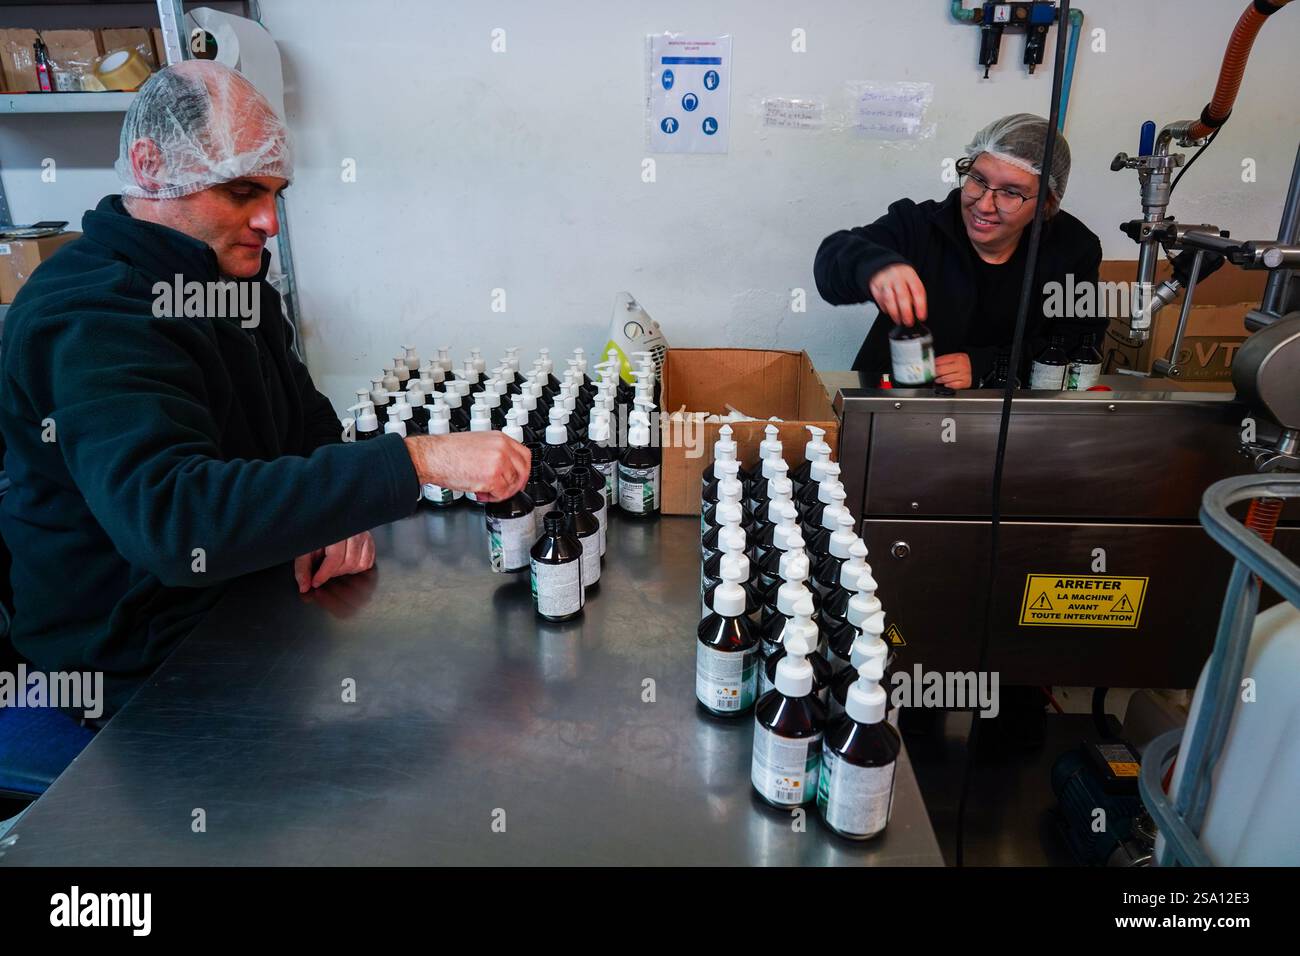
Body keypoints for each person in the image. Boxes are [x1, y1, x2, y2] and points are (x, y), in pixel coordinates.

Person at [0, 61, 529, 720]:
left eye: (275, 193)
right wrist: (419, 459)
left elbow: (303, 426)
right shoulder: (88, 316)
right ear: (151, 165)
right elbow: (174, 520)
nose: (270, 222)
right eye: (243, 192)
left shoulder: (226, 286)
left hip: (245, 600)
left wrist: (341, 515)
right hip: (133, 659)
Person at [814, 113, 1105, 388]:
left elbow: (1079, 341)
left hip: (1009, 414)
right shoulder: (920, 226)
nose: (983, 204)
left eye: (1010, 192)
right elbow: (832, 260)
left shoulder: (1074, 249)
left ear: (1045, 204)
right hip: (894, 402)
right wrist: (874, 266)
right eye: (978, 179)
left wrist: (988, 364)